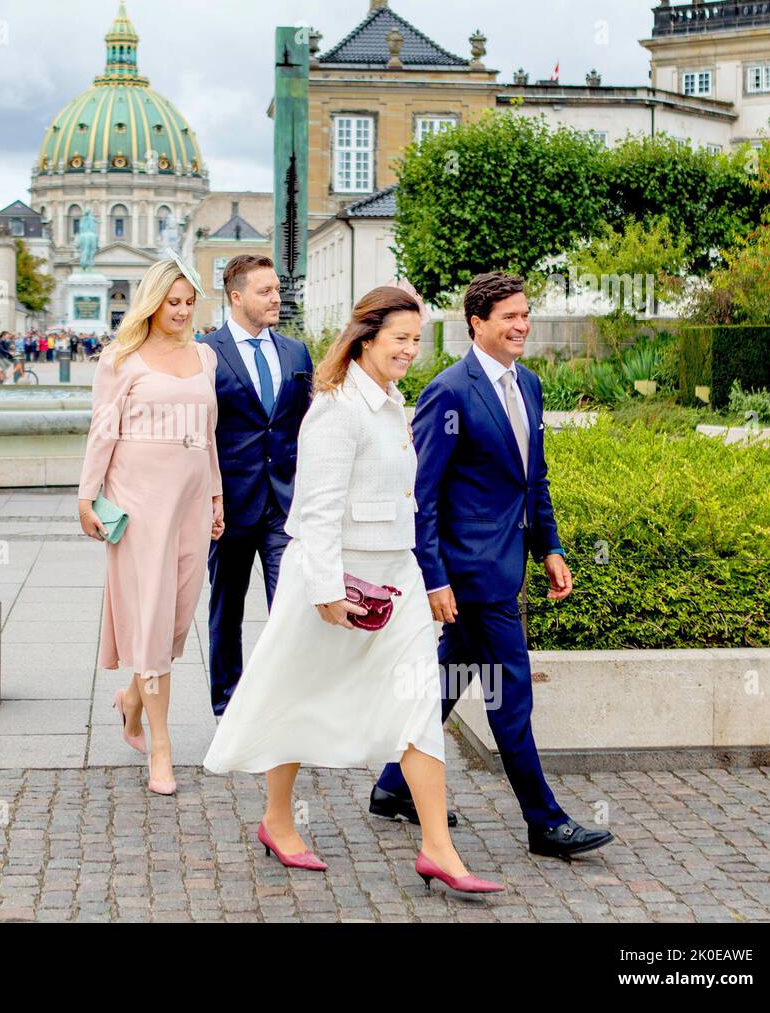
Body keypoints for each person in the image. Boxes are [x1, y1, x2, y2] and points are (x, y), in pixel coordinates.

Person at [204, 288, 501, 892]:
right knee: (294, 694)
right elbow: (314, 511)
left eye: (417, 340)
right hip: (334, 583)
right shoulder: (336, 409)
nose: (411, 351)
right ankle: (277, 821)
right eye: (400, 339)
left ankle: (437, 849)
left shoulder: (392, 405)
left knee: (420, 701)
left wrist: (421, 569)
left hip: (399, 581)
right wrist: (326, 590)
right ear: (366, 338)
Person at [371, 272, 614, 861]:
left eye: (525, 314)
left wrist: (550, 548)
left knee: (447, 679)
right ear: (477, 323)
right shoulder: (450, 392)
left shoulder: (528, 385)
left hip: (510, 561)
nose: (521, 325)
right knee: (511, 695)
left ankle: (392, 787)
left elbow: (534, 479)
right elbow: (420, 497)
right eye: (509, 316)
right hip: (472, 574)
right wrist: (435, 578)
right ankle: (544, 821)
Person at [78, 257, 225, 795]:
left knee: (178, 620)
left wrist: (215, 494)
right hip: (139, 503)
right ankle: (161, 748)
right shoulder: (122, 358)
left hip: (189, 502)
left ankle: (132, 699)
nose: (183, 312)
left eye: (189, 302)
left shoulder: (204, 357)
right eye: (173, 302)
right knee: (152, 620)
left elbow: (208, 434)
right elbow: (102, 431)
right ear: (153, 302)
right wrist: (86, 496)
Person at [200, 256, 314, 716]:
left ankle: (286, 702)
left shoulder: (295, 352)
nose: (276, 298)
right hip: (227, 506)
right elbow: (198, 433)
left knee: (289, 606)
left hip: (284, 505)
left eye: (277, 290)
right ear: (236, 296)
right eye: (265, 291)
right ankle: (227, 704)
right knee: (226, 610)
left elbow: (309, 423)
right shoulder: (205, 353)